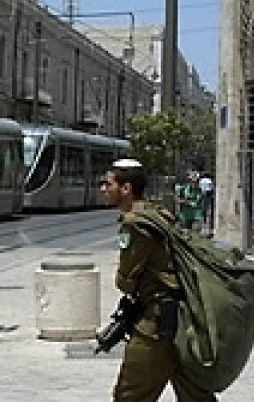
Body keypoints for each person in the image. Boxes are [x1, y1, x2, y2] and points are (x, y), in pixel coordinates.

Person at [102, 161, 216, 402]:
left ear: (126, 189)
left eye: (108, 183)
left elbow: (125, 281)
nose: (103, 188)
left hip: (155, 326)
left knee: (130, 395)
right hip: (184, 322)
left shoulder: (135, 223)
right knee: (196, 396)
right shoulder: (157, 213)